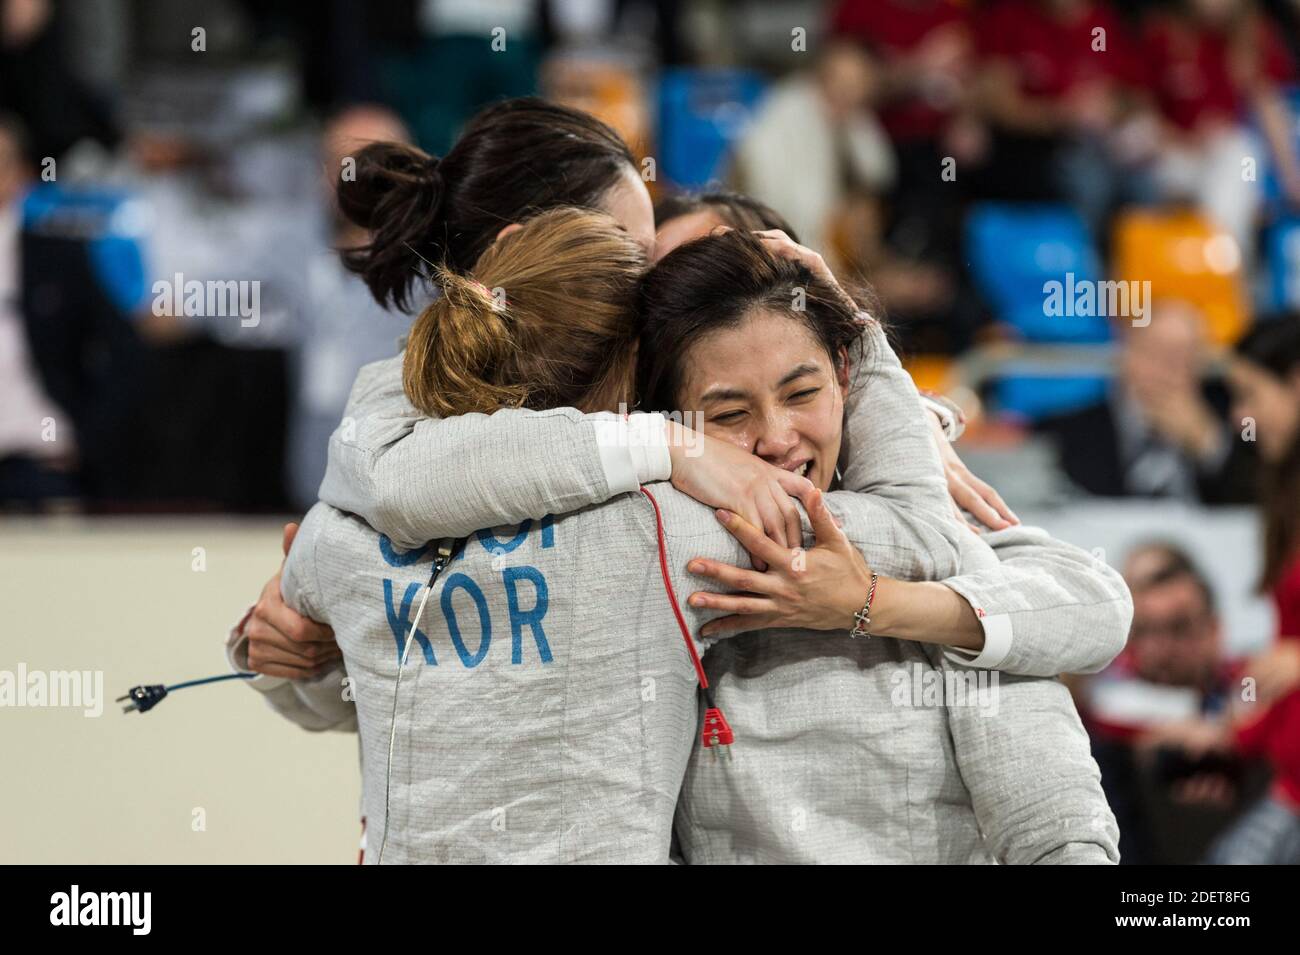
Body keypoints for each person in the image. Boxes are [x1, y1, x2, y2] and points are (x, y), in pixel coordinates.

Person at [269, 214, 1127, 862]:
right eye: (725, 414)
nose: (778, 440)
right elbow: (353, 683)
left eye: (805, 390)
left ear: (843, 379)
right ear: (644, 407)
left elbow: (1090, 616)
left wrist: (879, 605)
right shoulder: (667, 525)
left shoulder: (354, 519)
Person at [227, 99, 1014, 682]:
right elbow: (331, 680)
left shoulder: (685, 438)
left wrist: (890, 422)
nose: (660, 292)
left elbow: (1075, 599)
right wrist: (290, 645)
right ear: (526, 252)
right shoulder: (404, 435)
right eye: (637, 259)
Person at [1037, 299, 1255, 503]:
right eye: (1156, 351)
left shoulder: (1236, 427)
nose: (1168, 367)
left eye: (1184, 355)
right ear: (1127, 354)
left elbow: (1251, 500)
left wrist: (1208, 444)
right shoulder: (1068, 430)